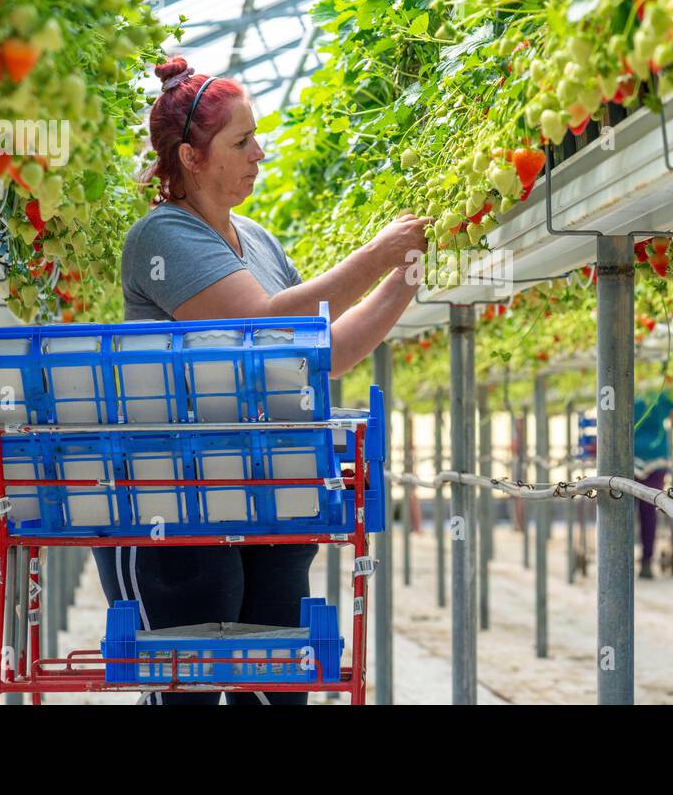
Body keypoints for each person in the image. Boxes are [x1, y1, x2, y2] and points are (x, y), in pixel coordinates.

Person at [94, 57, 430, 704]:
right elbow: (257, 324)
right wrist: (374, 254)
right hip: (181, 510)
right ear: (192, 156)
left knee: (276, 689)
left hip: (270, 497)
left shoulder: (257, 240)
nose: (260, 153)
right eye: (242, 141)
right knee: (185, 690)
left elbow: (324, 351)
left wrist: (404, 278)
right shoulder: (161, 236)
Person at [633, 389, 673, 578]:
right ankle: (646, 562)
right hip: (656, 459)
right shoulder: (664, 390)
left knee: (624, 510)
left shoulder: (626, 384)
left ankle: (620, 559)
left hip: (629, 456)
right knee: (649, 511)